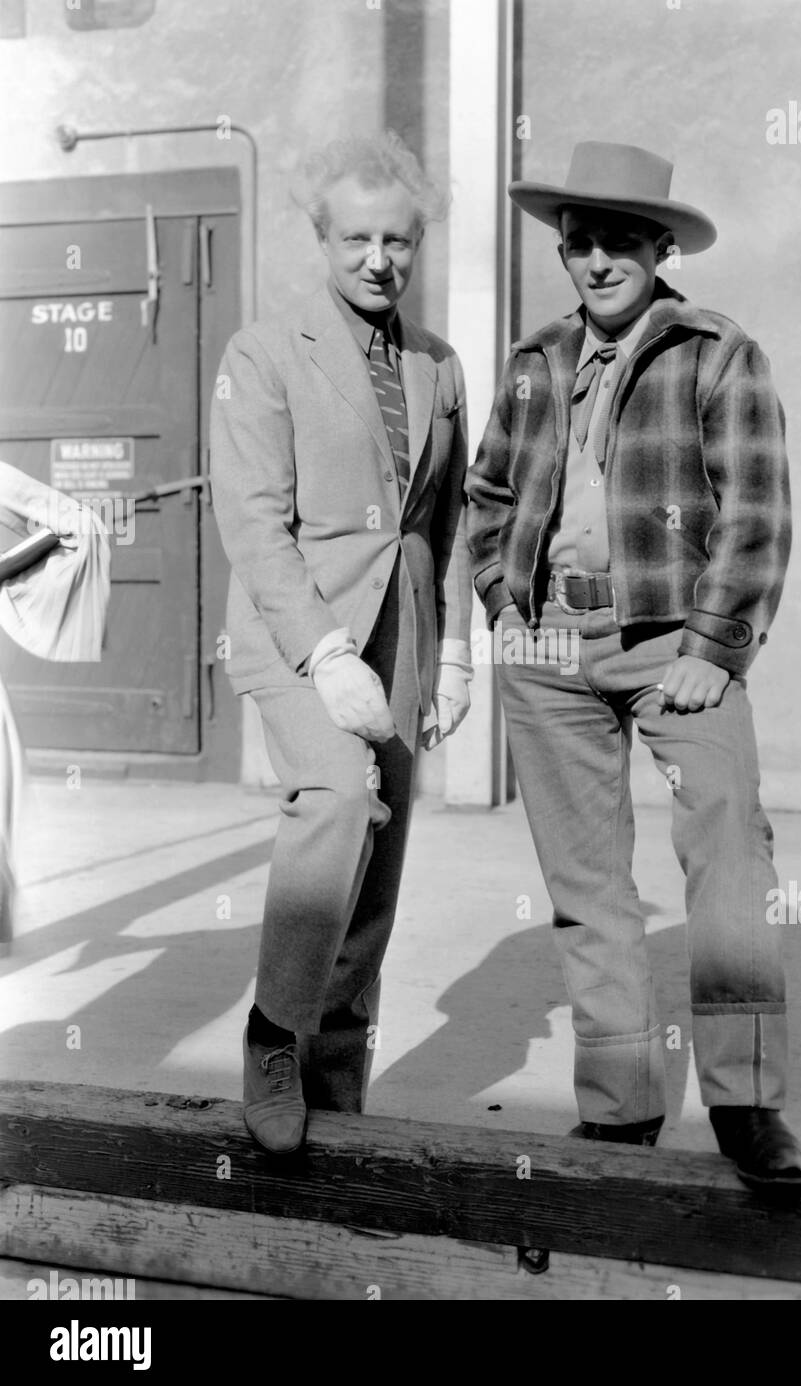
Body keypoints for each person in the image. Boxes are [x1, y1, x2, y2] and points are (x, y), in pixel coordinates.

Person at [466, 141, 801, 1193]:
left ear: (660, 247)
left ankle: (749, 1108)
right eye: (581, 243)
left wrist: (714, 649)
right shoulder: (534, 362)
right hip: (550, 647)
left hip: (672, 643)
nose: (599, 260)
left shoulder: (715, 351)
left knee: (729, 860)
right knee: (587, 885)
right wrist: (501, 606)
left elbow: (756, 515)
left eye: (621, 240)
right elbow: (486, 497)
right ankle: (620, 1111)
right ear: (562, 252)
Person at [210, 131, 473, 1154]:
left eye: (398, 241)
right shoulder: (264, 354)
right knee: (338, 797)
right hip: (295, 637)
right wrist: (325, 653)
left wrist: (447, 657)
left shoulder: (440, 367)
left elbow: (441, 526)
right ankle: (275, 1031)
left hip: (401, 637)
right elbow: (253, 526)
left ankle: (338, 1080)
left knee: (381, 865)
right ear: (322, 237)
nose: (379, 260)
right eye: (357, 238)